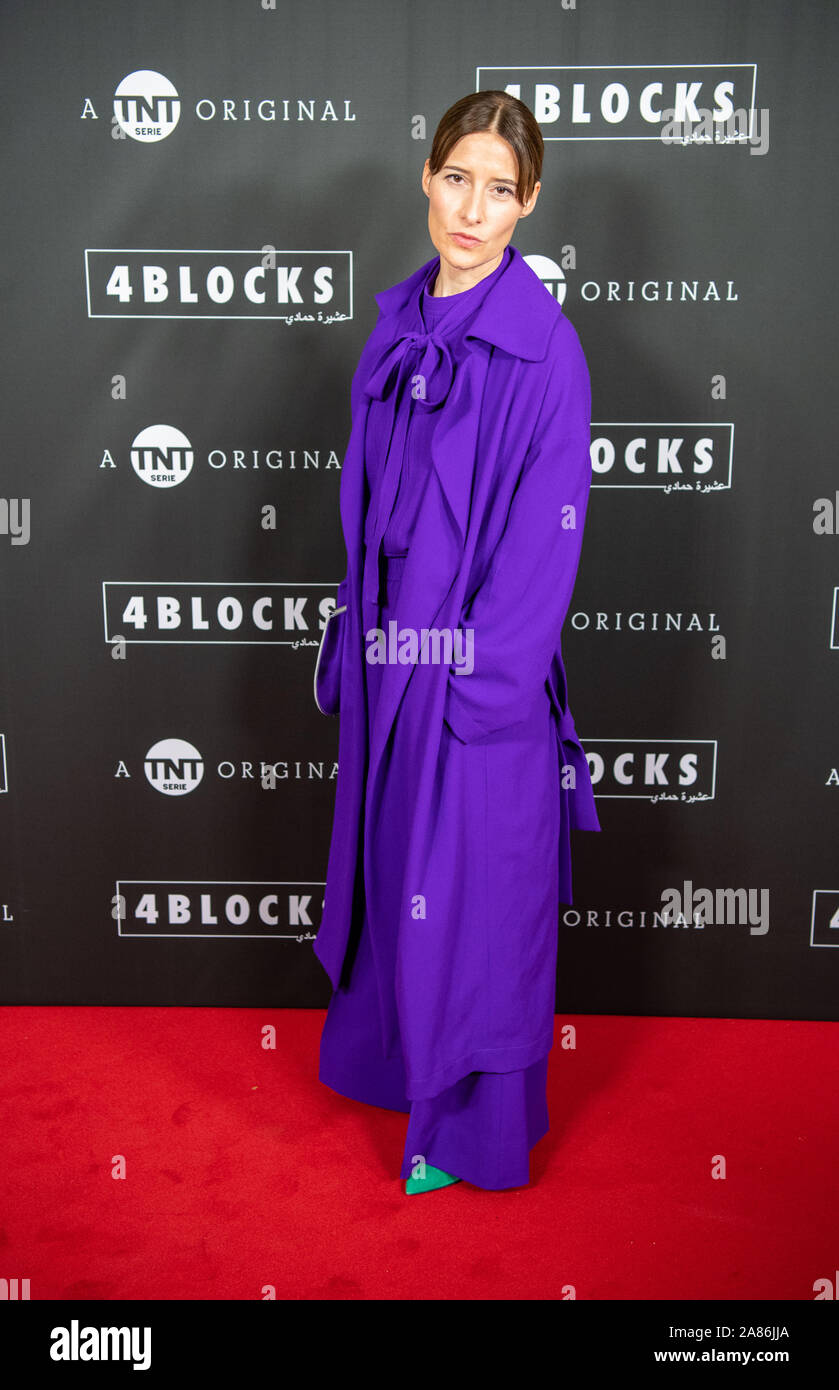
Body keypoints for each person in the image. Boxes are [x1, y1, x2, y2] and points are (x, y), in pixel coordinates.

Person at [312, 90, 601, 1194]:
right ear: (424, 180)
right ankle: (396, 1077)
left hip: (471, 691)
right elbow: (367, 507)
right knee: (397, 885)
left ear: (530, 202)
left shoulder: (547, 356)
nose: (469, 211)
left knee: (475, 907)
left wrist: (468, 694)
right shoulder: (393, 328)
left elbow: (541, 550)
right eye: (453, 179)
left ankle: (467, 1132)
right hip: (393, 675)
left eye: (497, 189)